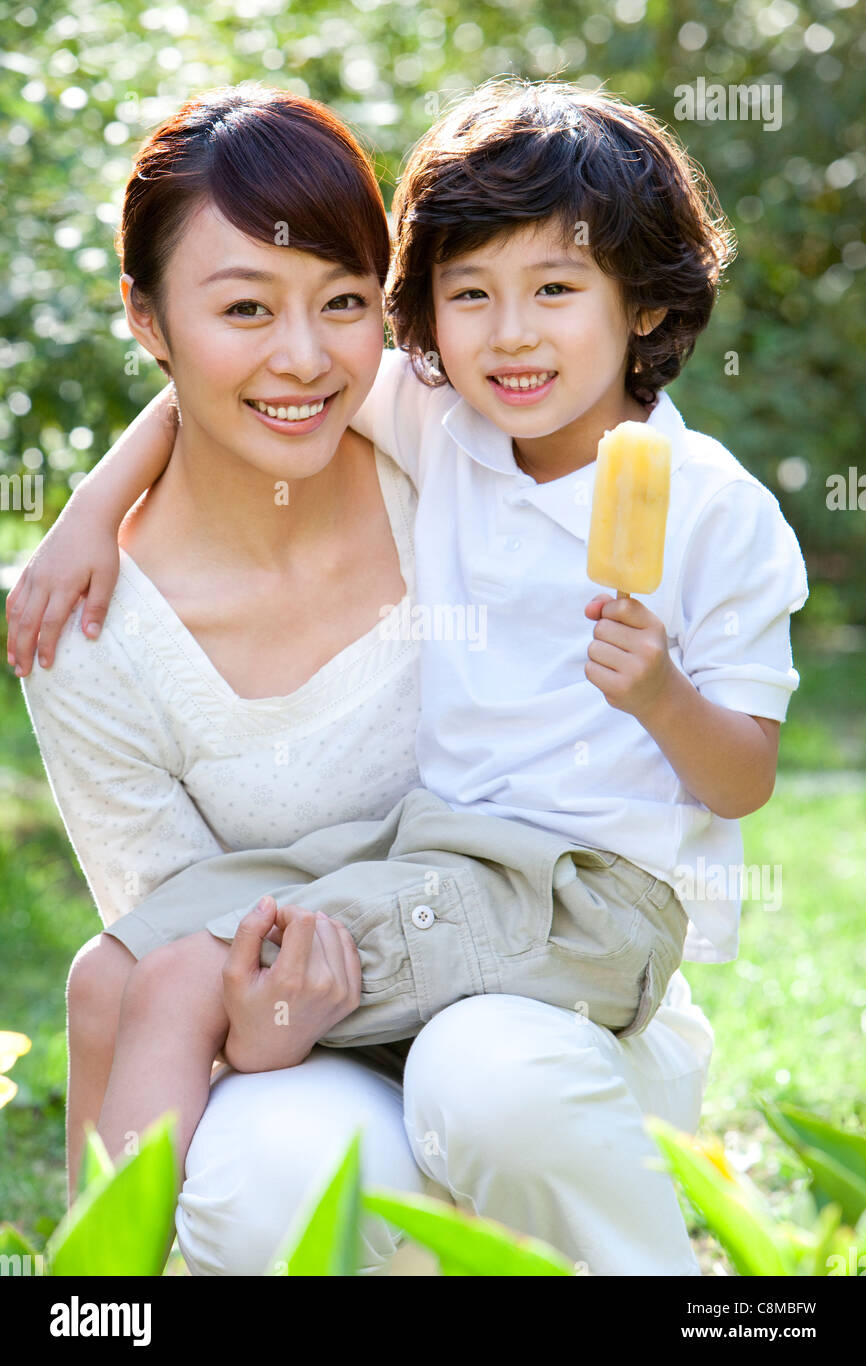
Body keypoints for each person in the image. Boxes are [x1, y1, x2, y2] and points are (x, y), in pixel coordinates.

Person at [10, 77, 802, 1277]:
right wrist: (89, 507)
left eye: (554, 290)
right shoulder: (451, 427)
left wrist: (656, 695)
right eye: (469, 295)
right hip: (428, 878)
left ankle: (97, 1288)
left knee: (181, 988)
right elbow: (220, 395)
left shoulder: (684, 504)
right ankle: (98, 1290)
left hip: (576, 907)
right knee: (112, 973)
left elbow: (743, 776)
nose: (510, 333)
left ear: (643, 302)